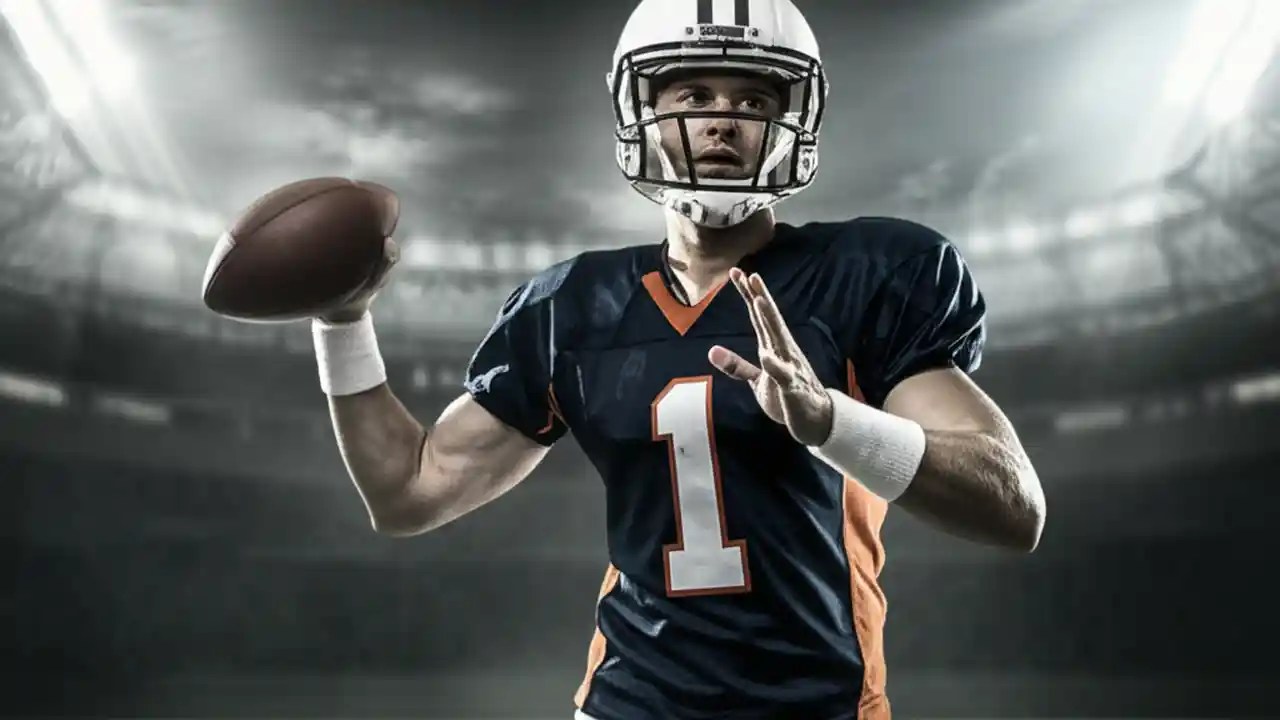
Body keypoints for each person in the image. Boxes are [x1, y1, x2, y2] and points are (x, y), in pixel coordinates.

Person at [309, 0, 1046, 717]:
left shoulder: (866, 274)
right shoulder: (573, 305)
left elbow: (1015, 507)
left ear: (790, 121)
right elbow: (408, 491)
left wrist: (831, 422)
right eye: (693, 91)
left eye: (753, 97)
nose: (722, 117)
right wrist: (344, 322)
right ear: (643, 113)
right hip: (629, 704)